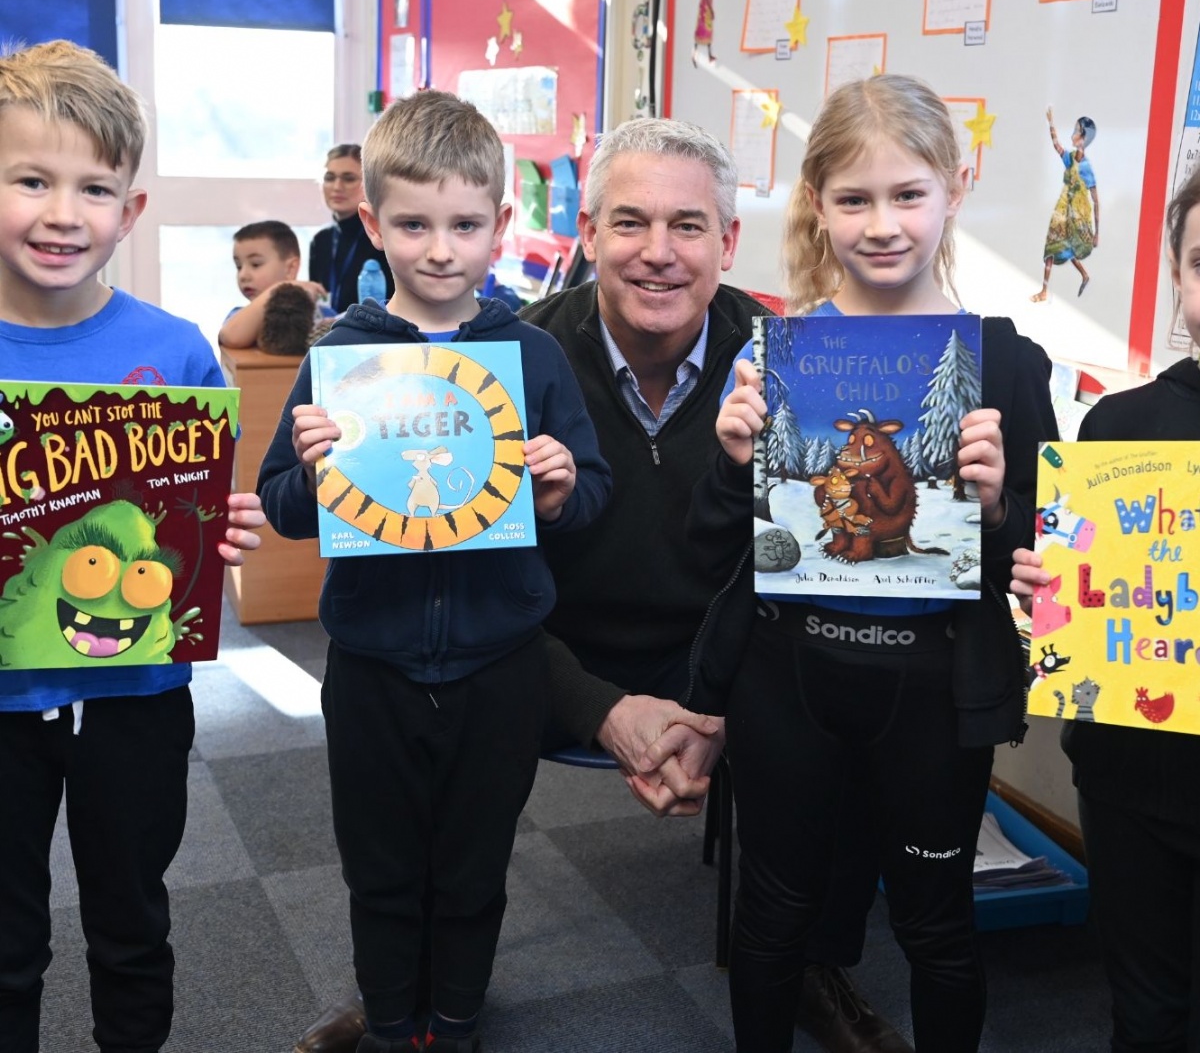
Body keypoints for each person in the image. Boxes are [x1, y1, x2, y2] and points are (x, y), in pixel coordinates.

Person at [293, 116, 907, 1053]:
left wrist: (719, 707)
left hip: (727, 662)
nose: (658, 254)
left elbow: (798, 576)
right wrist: (599, 707)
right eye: (629, 223)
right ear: (586, 234)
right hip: (538, 660)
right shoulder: (494, 366)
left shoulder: (792, 366)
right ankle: (409, 995)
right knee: (426, 753)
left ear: (730, 242)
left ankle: (811, 958)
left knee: (856, 679)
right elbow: (471, 594)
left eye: (689, 226)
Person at [699, 74, 1057, 1052]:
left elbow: (1050, 566)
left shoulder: (1005, 360)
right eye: (854, 198)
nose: (883, 223)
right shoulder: (777, 354)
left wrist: (995, 507)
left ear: (956, 186)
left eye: (908, 194)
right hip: (790, 673)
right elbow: (709, 540)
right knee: (772, 915)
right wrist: (736, 466)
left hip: (935, 685)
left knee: (936, 921)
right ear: (818, 201)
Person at [258, 89, 611, 1053]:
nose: (441, 249)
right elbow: (283, 503)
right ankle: (392, 1018)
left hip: (501, 664)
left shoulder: (529, 354)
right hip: (372, 662)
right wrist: (314, 465)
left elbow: (590, 497)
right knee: (378, 866)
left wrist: (558, 487)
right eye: (412, 224)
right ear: (372, 224)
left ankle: (452, 1021)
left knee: (473, 864)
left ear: (501, 225)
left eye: (464, 224)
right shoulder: (343, 355)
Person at [0, 39, 266, 1053]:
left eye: (94, 188)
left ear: (131, 211)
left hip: (135, 699)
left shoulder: (181, 349)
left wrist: (226, 531)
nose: (64, 213)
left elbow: (195, 520)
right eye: (31, 179)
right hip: (2, 704)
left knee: (132, 923)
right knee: (7, 942)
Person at [1012, 169, 1200, 1052]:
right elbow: (1079, 593)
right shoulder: (1119, 427)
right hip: (1134, 780)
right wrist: (1047, 591)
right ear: (1176, 275)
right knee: (1149, 1014)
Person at [218, 219, 333, 350]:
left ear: (290, 268)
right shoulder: (238, 315)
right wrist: (279, 288)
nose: (243, 275)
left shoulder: (323, 313)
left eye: (256, 264)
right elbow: (232, 337)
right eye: (238, 266)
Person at [308, 143, 395, 311]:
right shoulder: (320, 241)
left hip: (378, 332)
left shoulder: (381, 236)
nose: (337, 187)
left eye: (348, 178)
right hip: (330, 332)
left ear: (369, 183)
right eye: (330, 177)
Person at [1032, 107, 1099, 302]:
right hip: (1063, 208)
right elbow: (1056, 145)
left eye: (1077, 131)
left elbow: (1095, 200)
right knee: (1053, 245)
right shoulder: (1069, 158)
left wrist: (1096, 232)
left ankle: (1084, 275)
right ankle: (1045, 290)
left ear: (1083, 137)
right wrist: (1051, 123)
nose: (1073, 134)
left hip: (1078, 212)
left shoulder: (1086, 168)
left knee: (1070, 247)